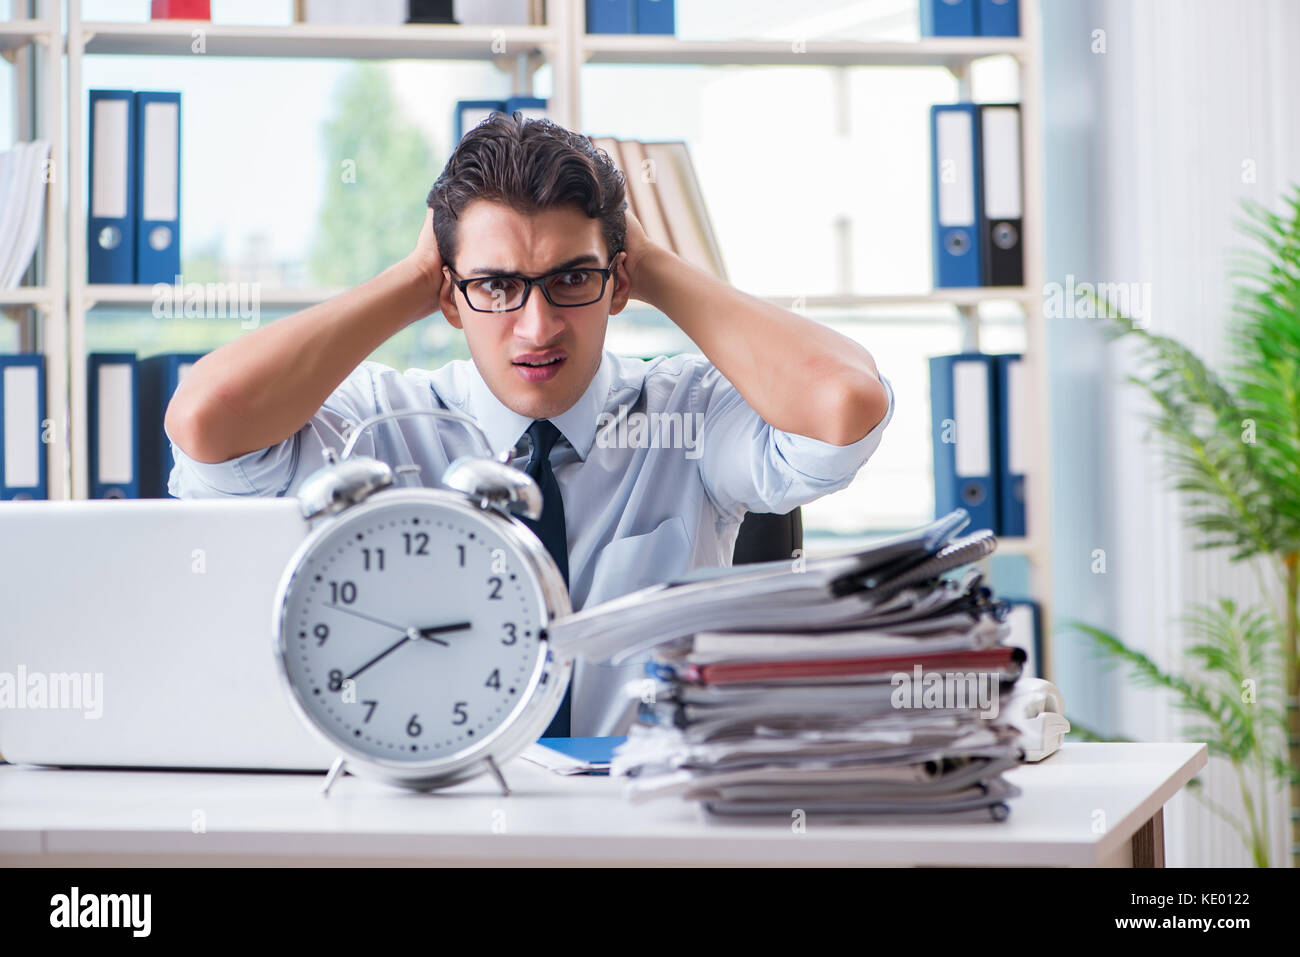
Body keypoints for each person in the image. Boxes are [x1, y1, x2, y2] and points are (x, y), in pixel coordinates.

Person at [164, 111, 895, 737]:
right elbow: (206, 419)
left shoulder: (685, 415)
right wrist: (412, 282)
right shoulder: (380, 428)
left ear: (618, 281)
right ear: (450, 298)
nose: (536, 327)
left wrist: (657, 267)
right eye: (497, 285)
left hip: (641, 827)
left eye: (573, 278)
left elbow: (846, 402)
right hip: (430, 817)